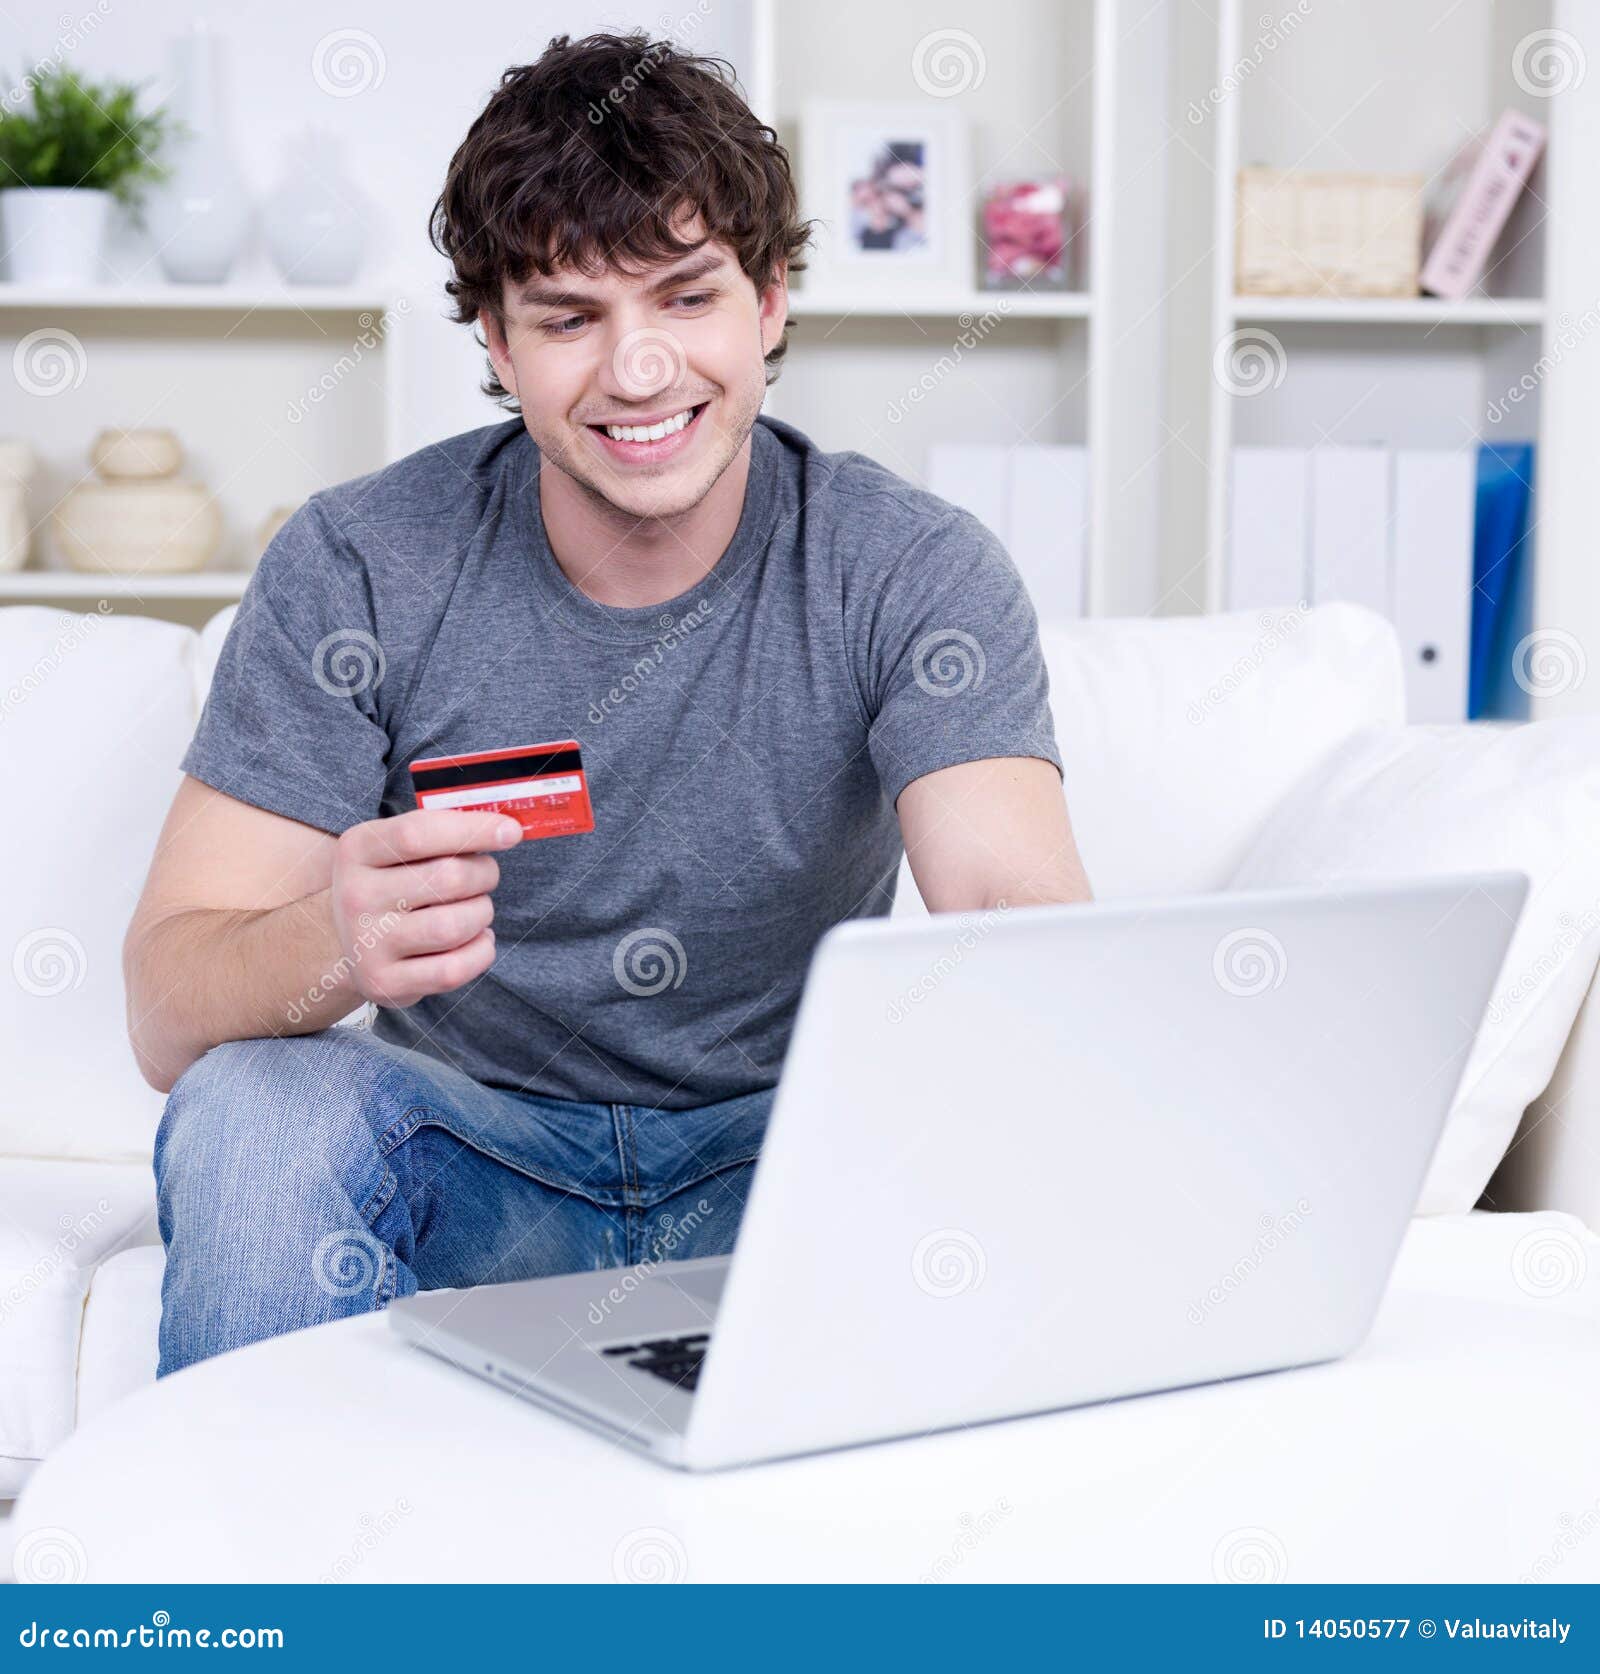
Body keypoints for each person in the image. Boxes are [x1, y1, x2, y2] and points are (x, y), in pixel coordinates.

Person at [124, 30, 1092, 1378]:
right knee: (251, 1105)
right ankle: (289, 1580)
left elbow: (1012, 912)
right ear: (498, 343)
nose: (637, 373)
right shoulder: (360, 560)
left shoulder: (909, 567)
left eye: (686, 300)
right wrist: (328, 938)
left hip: (790, 1171)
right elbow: (168, 1011)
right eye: (571, 318)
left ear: (769, 303)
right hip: (482, 1165)